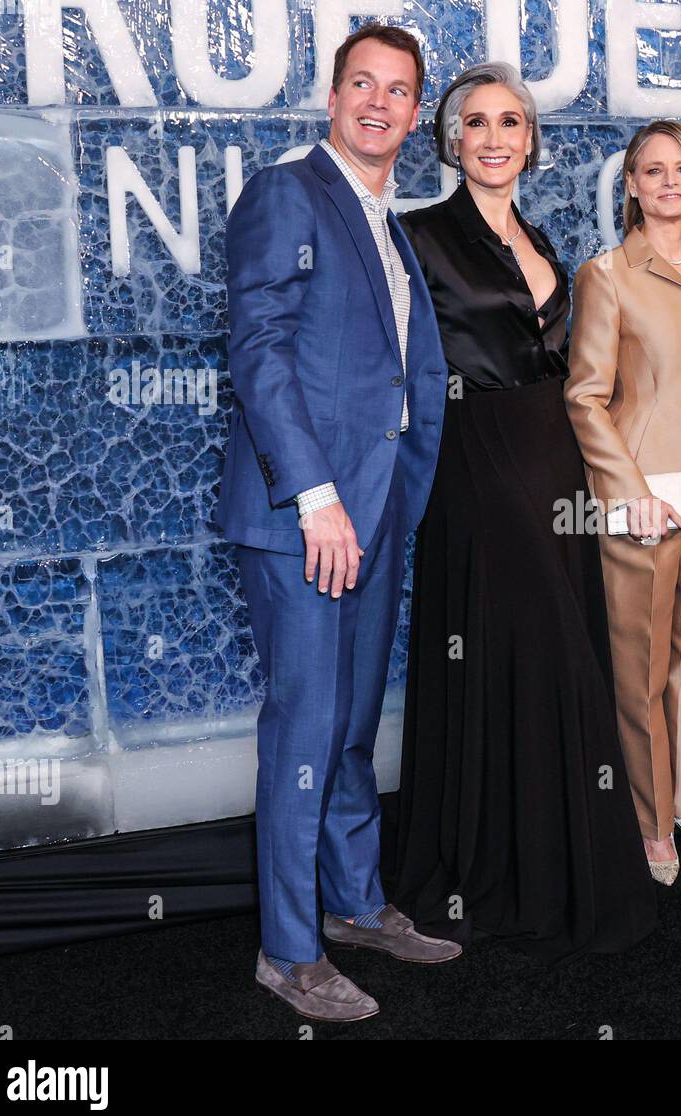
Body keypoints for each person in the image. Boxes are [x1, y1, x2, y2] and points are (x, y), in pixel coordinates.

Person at [217, 24, 459, 1022]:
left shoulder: (384, 218)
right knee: (306, 728)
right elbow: (259, 353)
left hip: (374, 512)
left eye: (397, 91)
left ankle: (356, 902)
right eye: (362, 84)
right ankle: (287, 948)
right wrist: (315, 496)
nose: (377, 103)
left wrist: (373, 500)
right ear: (332, 96)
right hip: (303, 519)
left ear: (413, 113)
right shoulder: (286, 194)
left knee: (353, 722)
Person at [391, 63, 656, 960]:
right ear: (450, 138)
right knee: (529, 654)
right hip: (476, 461)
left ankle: (546, 861)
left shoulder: (542, 236)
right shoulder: (414, 236)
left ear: (531, 141)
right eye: (477, 122)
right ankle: (501, 870)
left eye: (512, 121)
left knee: (554, 649)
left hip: (554, 462)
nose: (495, 137)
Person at [566, 121, 681, 885]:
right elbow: (584, 396)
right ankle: (650, 823)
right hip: (645, 494)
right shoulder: (605, 274)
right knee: (643, 664)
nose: (669, 182)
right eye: (652, 170)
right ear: (632, 187)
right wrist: (627, 491)